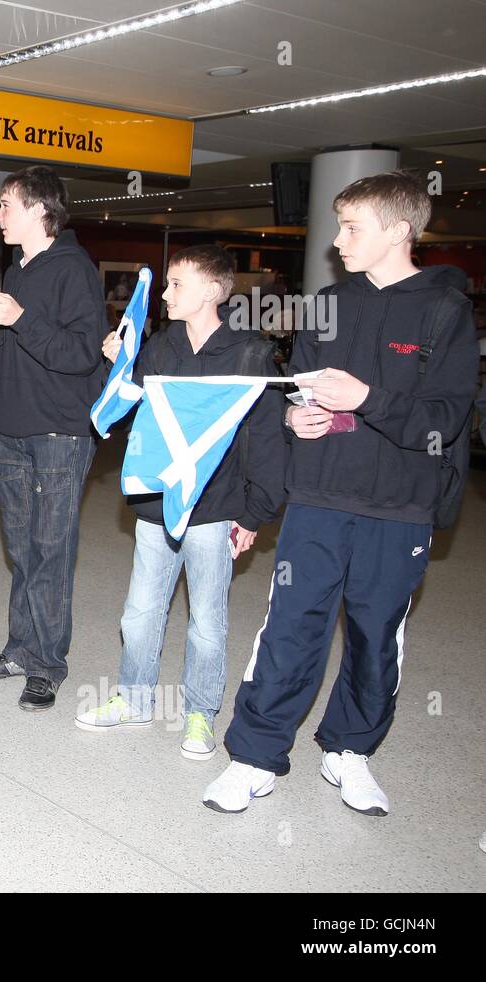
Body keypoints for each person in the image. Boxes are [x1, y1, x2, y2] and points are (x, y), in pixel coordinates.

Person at [203, 171, 478, 816]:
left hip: (399, 506)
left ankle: (349, 750)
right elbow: (299, 386)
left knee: (376, 633)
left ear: (399, 231)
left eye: (354, 227)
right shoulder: (328, 302)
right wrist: (297, 417)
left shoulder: (445, 311)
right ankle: (254, 755)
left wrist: (369, 400)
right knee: (289, 628)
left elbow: (445, 417)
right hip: (319, 497)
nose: (339, 239)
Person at [74, 245, 286, 759]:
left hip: (214, 508)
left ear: (214, 291)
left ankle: (199, 713)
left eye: (177, 285)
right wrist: (117, 369)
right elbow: (131, 421)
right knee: (141, 611)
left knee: (207, 619)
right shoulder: (160, 348)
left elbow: (265, 439)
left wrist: (256, 513)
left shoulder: (249, 354)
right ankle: (136, 697)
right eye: (166, 284)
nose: (166, 295)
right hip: (158, 503)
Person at [0, 166, 109, 712]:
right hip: (13, 430)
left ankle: (47, 664)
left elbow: (81, 353)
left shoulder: (72, 269)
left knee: (51, 552)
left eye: (6, 206)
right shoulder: (19, 267)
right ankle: (20, 649)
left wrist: (21, 319)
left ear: (38, 210)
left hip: (58, 433)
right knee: (22, 548)